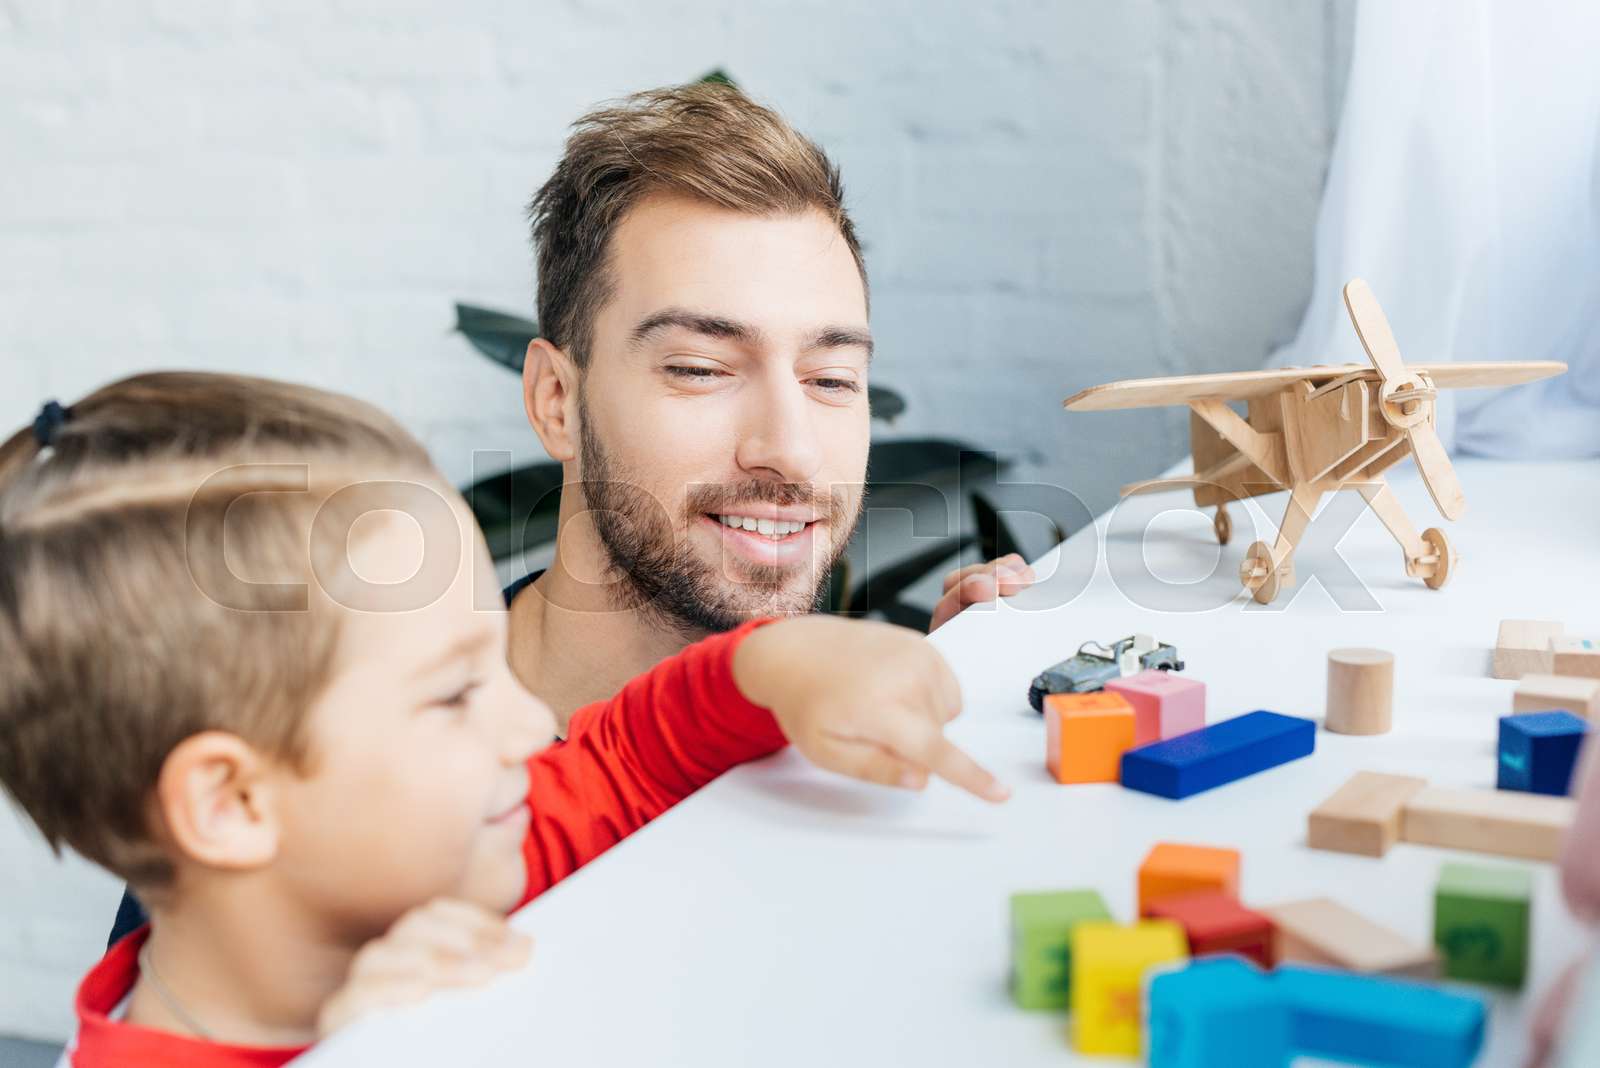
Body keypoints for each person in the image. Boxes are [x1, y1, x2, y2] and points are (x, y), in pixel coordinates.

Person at [0, 373, 1007, 1066]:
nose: (530, 727)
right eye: (453, 693)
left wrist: (775, 664)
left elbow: (627, 759)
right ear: (231, 800)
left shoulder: (438, 853)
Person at [507, 82, 1035, 730]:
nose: (791, 449)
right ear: (555, 401)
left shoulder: (833, 742)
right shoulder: (398, 784)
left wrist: (961, 732)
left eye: (833, 380)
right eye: (702, 370)